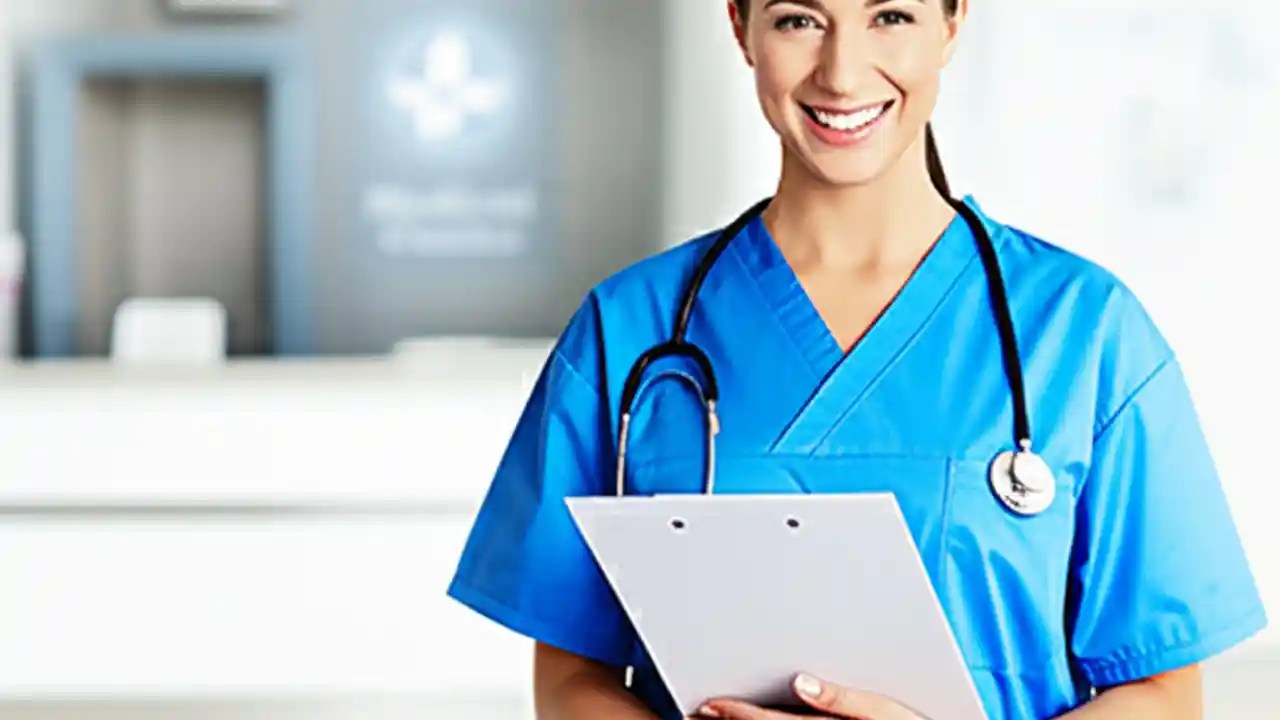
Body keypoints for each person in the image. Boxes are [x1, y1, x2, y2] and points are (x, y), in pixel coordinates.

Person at [446, 1, 1268, 718]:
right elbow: (569, 674)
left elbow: (1164, 694)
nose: (842, 73)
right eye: (800, 20)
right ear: (741, 27)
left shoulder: (1083, 332)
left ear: (953, 24)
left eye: (891, 17)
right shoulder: (628, 330)